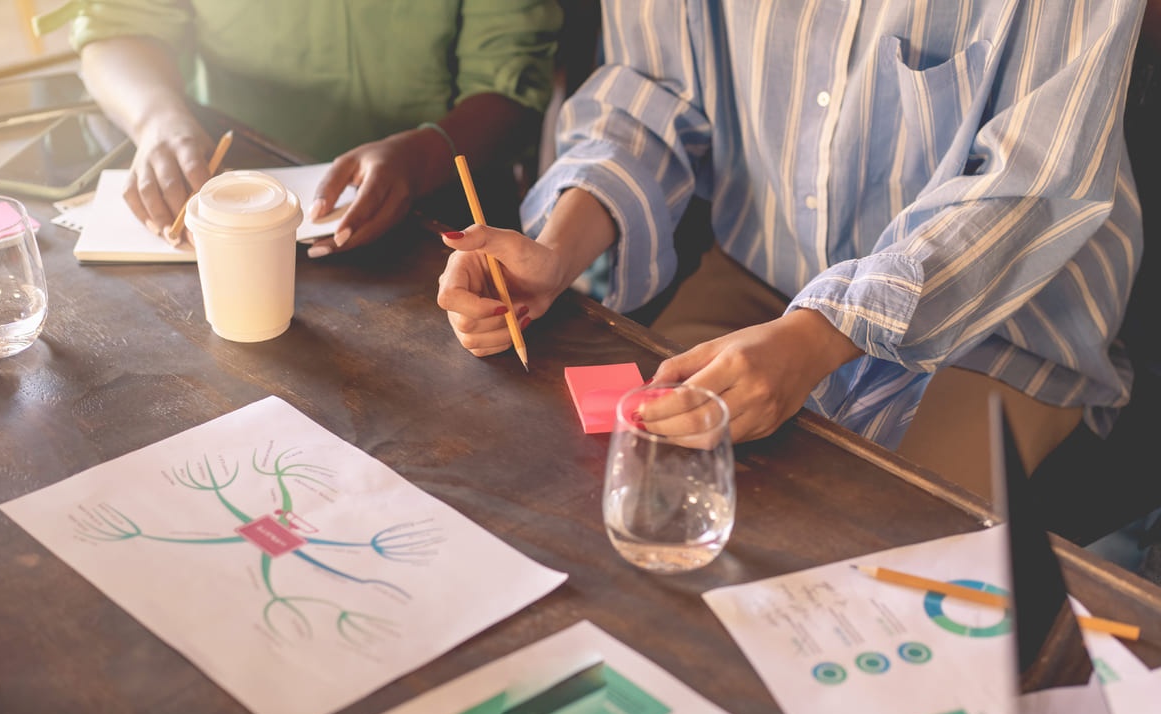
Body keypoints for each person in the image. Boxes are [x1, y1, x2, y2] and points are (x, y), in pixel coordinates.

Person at [437, 1, 1148, 500]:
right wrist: (557, 253)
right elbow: (649, 100)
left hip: (998, 322)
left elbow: (1025, 187)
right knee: (603, 487)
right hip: (764, 273)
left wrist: (815, 339)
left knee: (839, 563)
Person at [34, 0, 562, 251]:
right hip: (222, 210)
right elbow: (119, 26)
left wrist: (423, 157)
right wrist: (158, 120)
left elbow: (513, 84)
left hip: (441, 223)